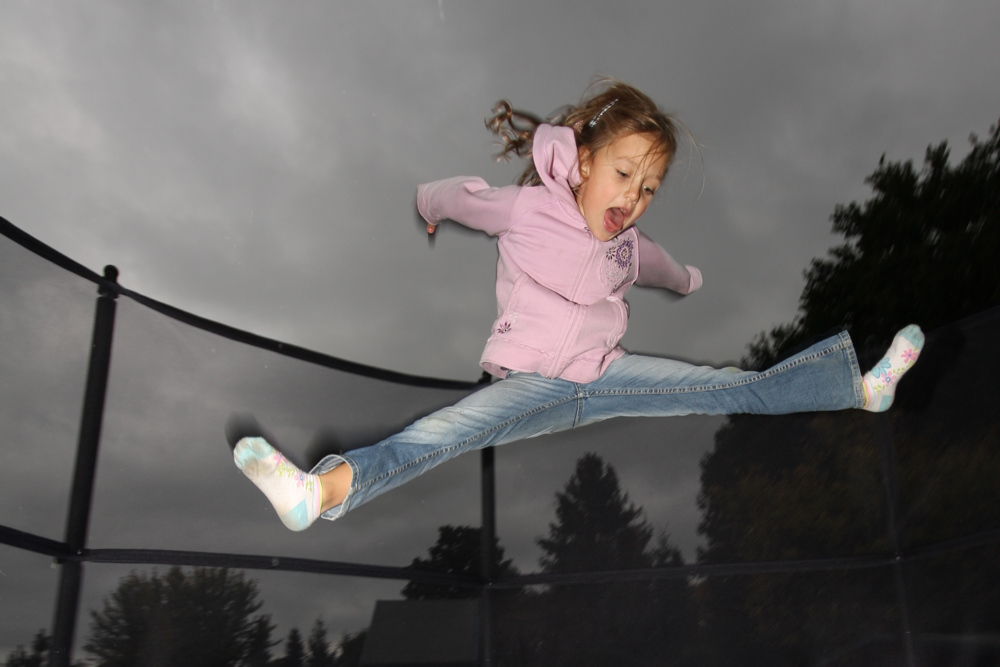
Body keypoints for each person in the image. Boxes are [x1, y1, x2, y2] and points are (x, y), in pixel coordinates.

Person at [231, 79, 924, 532]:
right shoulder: (527, 209)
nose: (633, 198)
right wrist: (429, 205)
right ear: (585, 162)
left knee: (724, 384)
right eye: (624, 174)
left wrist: (687, 280)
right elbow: (462, 198)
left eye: (649, 188)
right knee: (441, 434)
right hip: (533, 384)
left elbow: (661, 265)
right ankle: (317, 495)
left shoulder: (629, 247)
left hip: (609, 374)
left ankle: (860, 389)